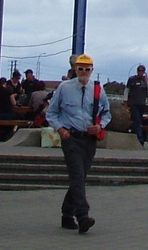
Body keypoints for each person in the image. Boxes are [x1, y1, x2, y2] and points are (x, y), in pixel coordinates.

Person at [47, 53, 110, 233]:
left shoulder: (98, 89)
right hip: (71, 137)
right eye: (80, 68)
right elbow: (51, 113)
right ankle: (82, 215)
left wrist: (100, 126)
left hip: (89, 139)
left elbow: (107, 113)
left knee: (80, 177)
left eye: (87, 69)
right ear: (75, 69)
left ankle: (67, 214)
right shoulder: (64, 88)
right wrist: (60, 129)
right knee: (76, 174)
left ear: (92, 71)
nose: (84, 72)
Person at [125, 64, 148, 146]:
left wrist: (146, 81)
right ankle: (140, 139)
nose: (140, 72)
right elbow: (127, 90)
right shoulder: (132, 79)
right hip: (133, 103)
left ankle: (133, 136)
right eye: (139, 71)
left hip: (142, 103)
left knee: (138, 121)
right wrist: (125, 101)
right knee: (137, 120)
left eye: (142, 71)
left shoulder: (146, 81)